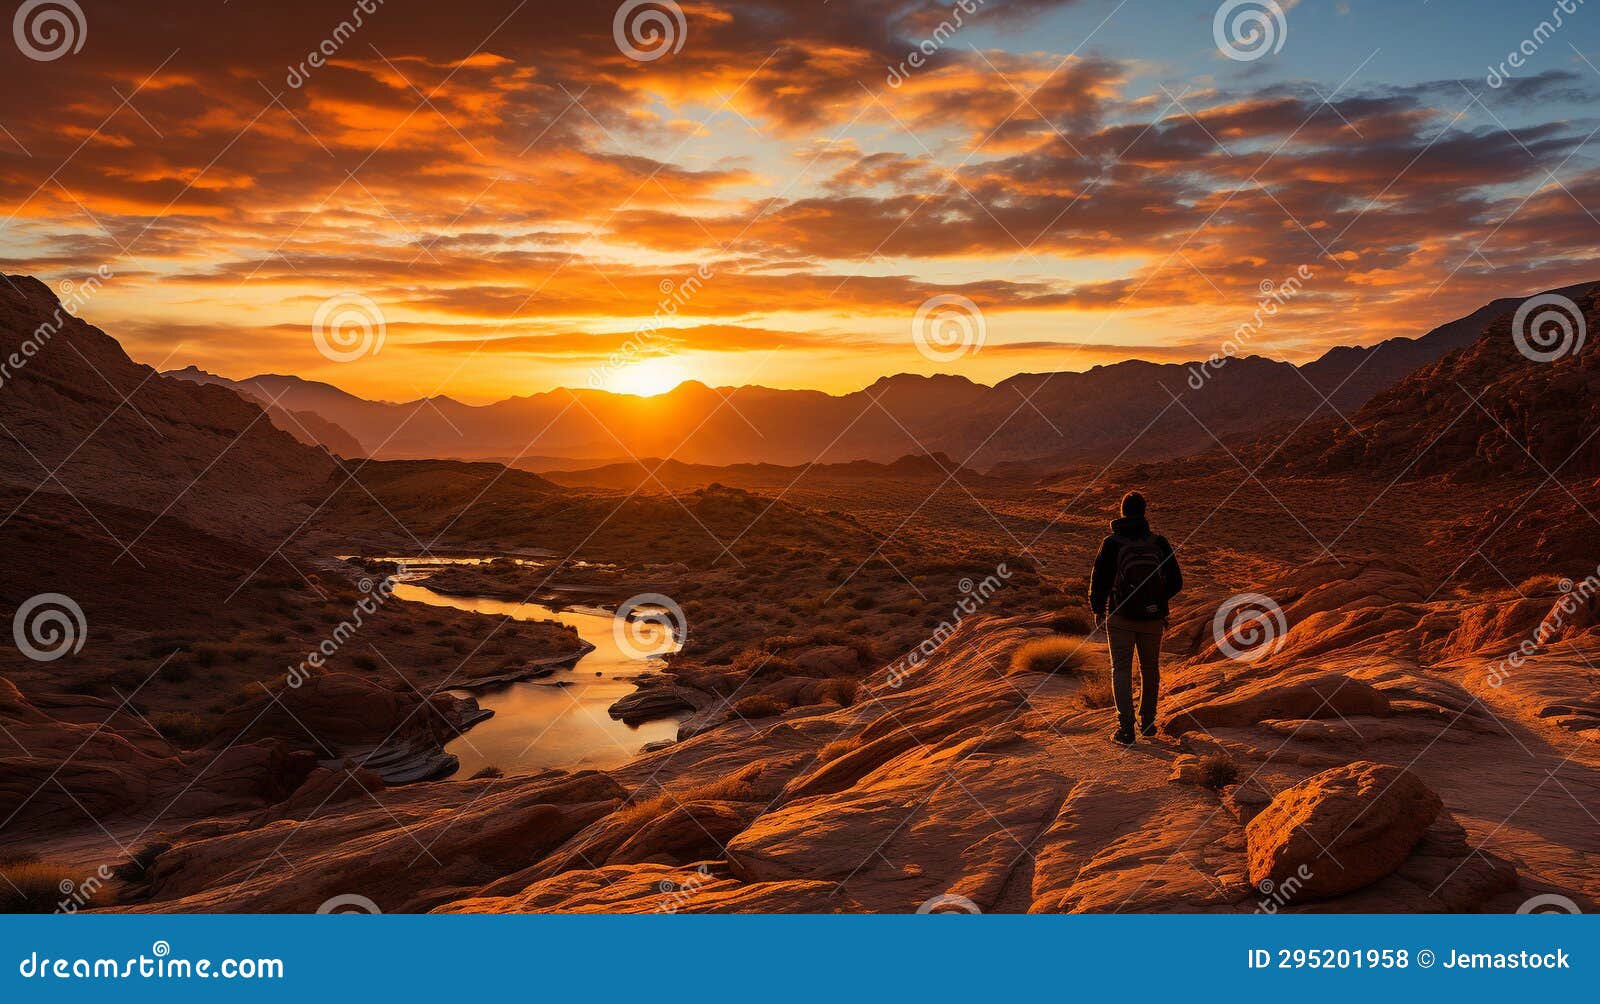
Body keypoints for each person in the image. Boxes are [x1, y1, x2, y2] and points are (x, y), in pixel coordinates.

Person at [1088, 491, 1182, 746]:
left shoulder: (1112, 543)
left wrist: (1098, 608)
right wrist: (1158, 602)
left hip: (1120, 615)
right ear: (1144, 511)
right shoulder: (1158, 542)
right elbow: (1176, 581)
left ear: (1122, 512)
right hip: (1153, 618)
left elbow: (1100, 580)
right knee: (1150, 669)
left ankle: (1126, 729)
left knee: (1121, 669)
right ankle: (1149, 723)